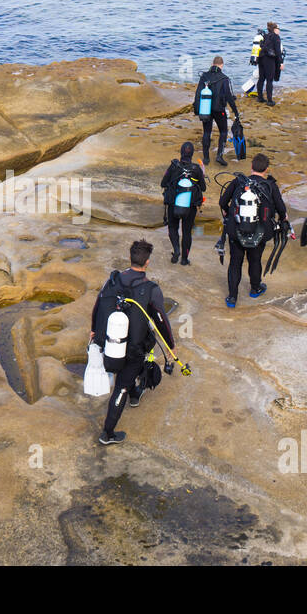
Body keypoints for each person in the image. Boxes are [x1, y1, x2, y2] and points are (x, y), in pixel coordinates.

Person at [90, 239, 176, 445]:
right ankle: (107, 433)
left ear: (130, 258)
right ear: (147, 262)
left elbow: (97, 306)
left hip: (110, 342)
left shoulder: (112, 280)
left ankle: (135, 394)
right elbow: (161, 320)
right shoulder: (151, 289)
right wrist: (171, 345)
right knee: (121, 387)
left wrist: (94, 330)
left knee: (127, 374)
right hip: (134, 348)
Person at [218, 153, 288, 308]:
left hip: (236, 230)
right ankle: (255, 289)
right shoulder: (270, 186)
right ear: (267, 169)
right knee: (255, 260)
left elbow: (222, 201)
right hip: (259, 232)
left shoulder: (238, 182)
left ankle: (232, 298)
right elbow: (282, 209)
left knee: (235, 263)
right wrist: (284, 219)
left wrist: (226, 211)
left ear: (251, 167)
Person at [160, 142, 206, 265]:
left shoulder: (174, 166)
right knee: (187, 232)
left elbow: (163, 183)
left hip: (173, 204)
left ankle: (176, 250)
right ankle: (184, 259)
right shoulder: (196, 169)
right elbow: (203, 188)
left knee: (173, 228)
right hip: (190, 206)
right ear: (192, 154)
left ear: (181, 152)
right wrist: (201, 174)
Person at [193, 56, 238, 166]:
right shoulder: (224, 78)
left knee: (207, 132)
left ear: (212, 64)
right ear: (221, 65)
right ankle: (219, 156)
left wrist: (197, 110)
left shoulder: (204, 76)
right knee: (223, 131)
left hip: (206, 109)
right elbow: (229, 97)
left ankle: (206, 158)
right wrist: (236, 112)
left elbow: (198, 93)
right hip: (219, 110)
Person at [255, 22, 283, 105]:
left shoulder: (265, 36)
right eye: (279, 29)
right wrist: (280, 63)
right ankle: (270, 101)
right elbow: (278, 51)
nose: (279, 30)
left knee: (261, 78)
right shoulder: (276, 37)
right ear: (275, 29)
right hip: (269, 60)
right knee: (269, 80)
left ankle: (260, 98)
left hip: (261, 58)